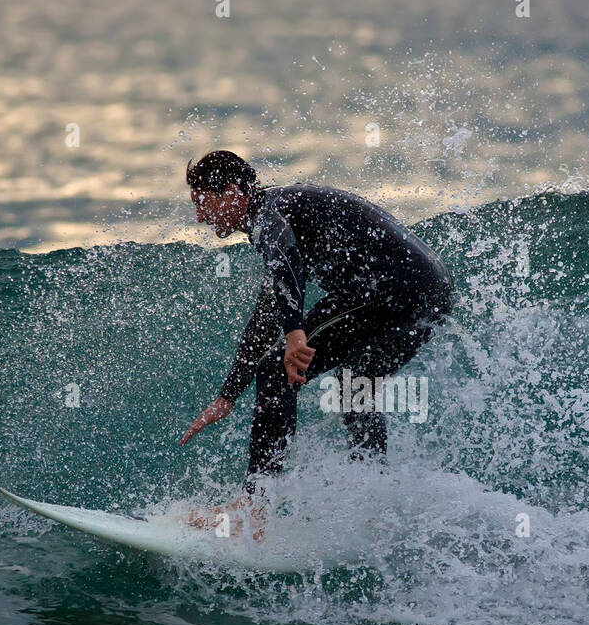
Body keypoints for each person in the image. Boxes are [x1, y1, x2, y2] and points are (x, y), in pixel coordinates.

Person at [178, 150, 453, 532]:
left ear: (232, 192)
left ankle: (254, 509)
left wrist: (294, 335)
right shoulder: (280, 210)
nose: (200, 217)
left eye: (203, 203)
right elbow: (269, 310)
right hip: (430, 291)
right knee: (354, 385)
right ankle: (376, 502)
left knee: (278, 367)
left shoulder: (267, 214)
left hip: (393, 288)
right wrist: (228, 396)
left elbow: (285, 253)